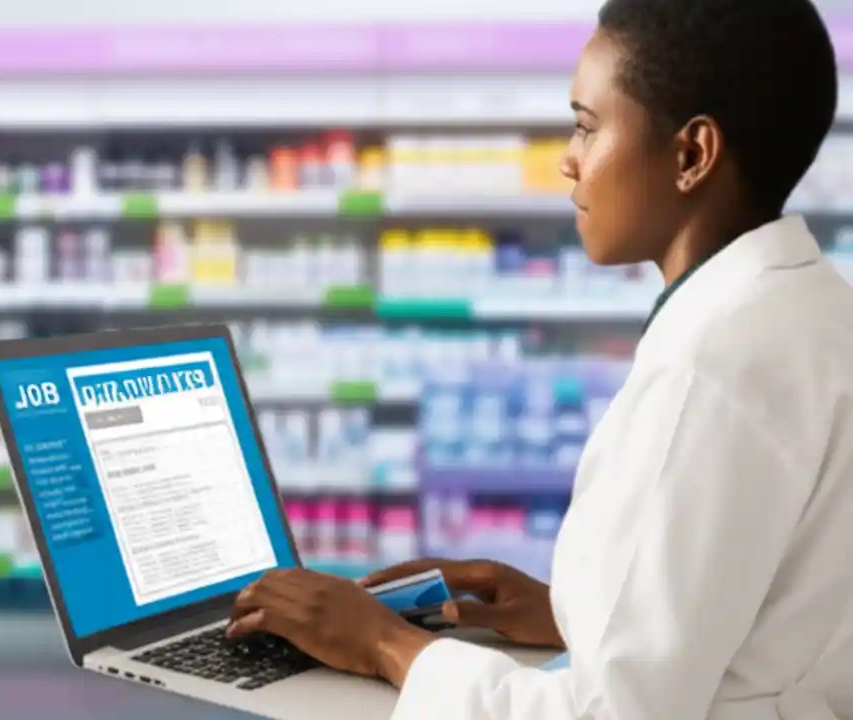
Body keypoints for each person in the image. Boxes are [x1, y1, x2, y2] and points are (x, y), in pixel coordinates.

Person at [228, 0, 853, 717]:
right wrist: (576, 614)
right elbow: (781, 613)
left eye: (587, 125)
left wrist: (385, 646)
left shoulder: (710, 368)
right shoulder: (821, 315)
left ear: (691, 155)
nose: (568, 157)